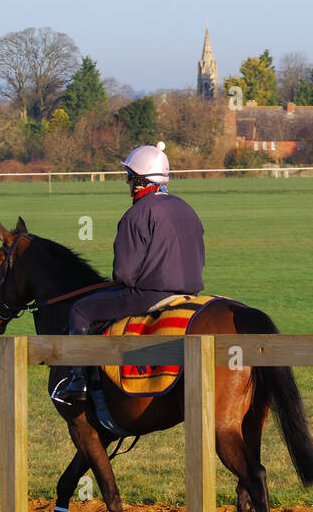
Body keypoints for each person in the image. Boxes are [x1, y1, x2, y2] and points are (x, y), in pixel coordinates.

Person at [54, 141, 205, 405]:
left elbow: (123, 274)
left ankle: (78, 382)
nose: (128, 184)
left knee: (80, 310)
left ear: (138, 181)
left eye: (129, 178)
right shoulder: (187, 208)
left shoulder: (136, 214)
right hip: (192, 295)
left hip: (148, 296)